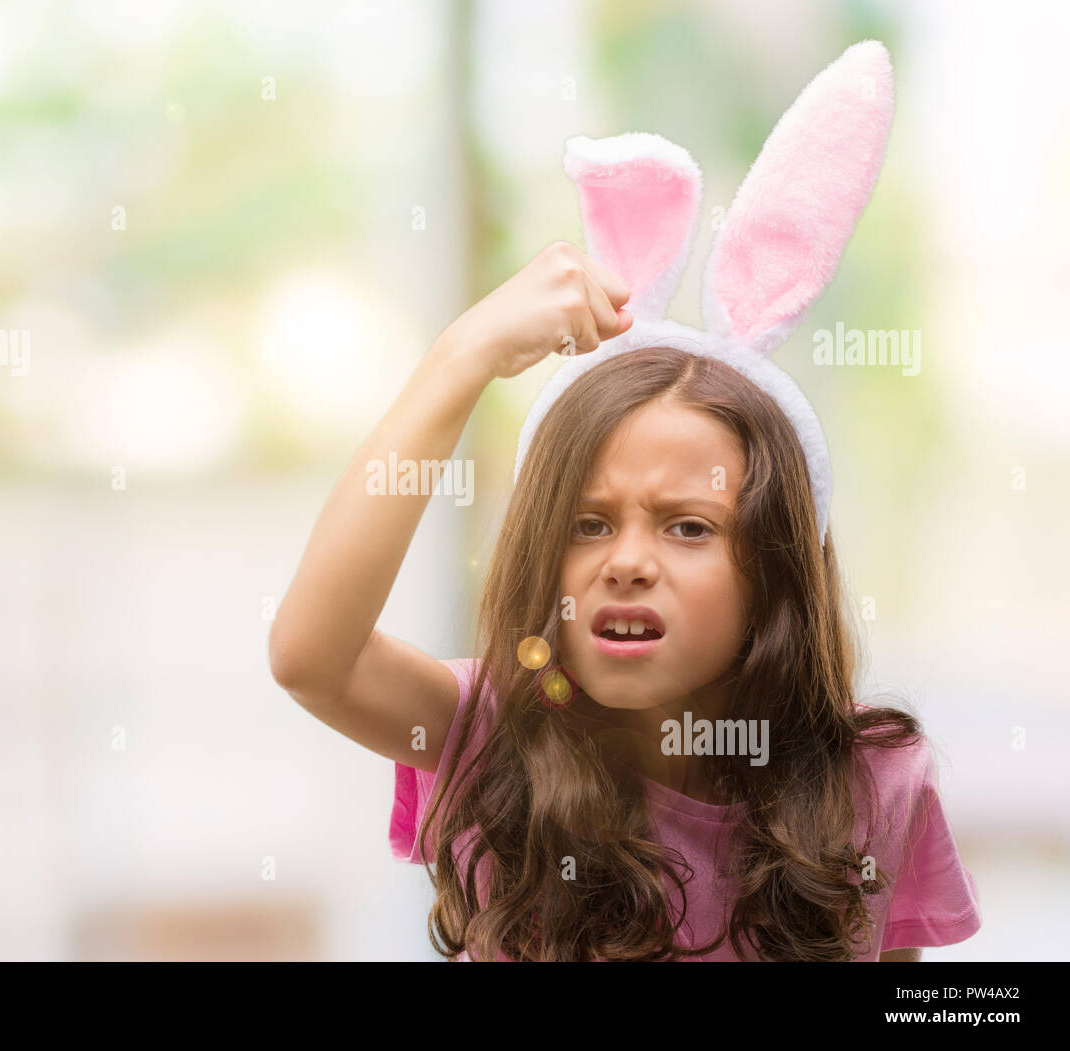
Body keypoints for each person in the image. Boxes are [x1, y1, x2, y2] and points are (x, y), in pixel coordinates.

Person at [269, 41, 982, 962]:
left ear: (772, 572)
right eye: (587, 524)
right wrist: (464, 355)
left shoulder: (876, 786)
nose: (628, 559)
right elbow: (310, 657)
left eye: (689, 526)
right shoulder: (490, 737)